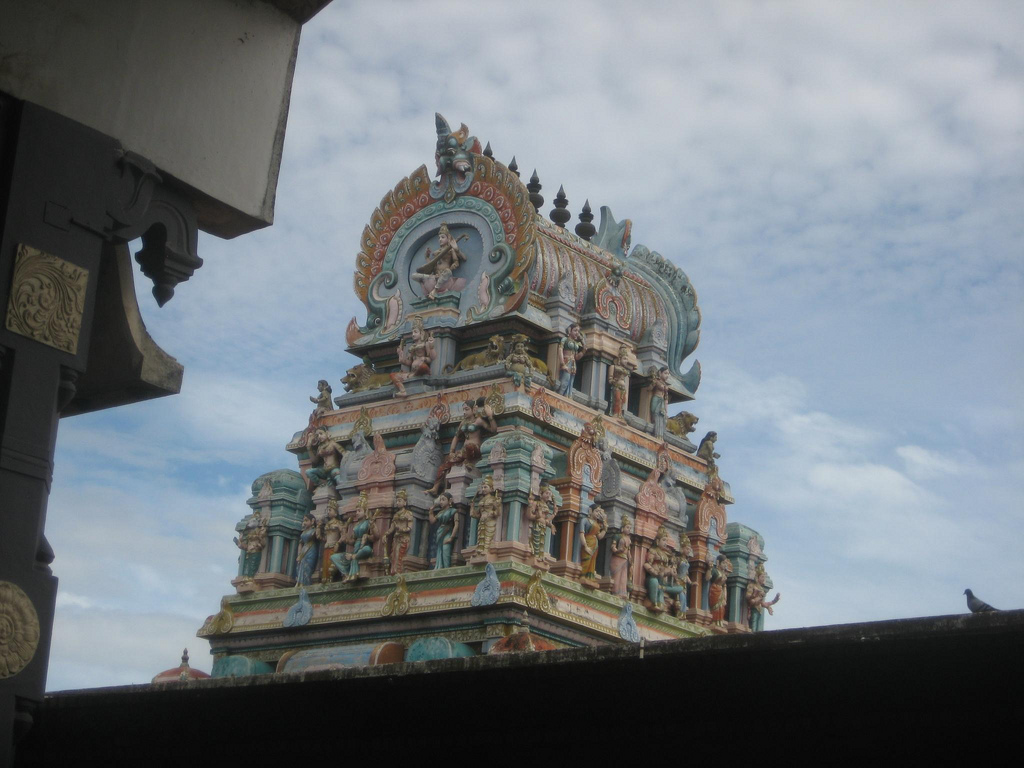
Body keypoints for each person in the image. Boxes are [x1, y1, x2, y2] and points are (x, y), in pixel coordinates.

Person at [428, 398, 497, 495]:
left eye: (467, 409)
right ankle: (436, 487)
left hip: (474, 449)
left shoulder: (478, 421)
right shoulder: (463, 422)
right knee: (445, 465)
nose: (464, 412)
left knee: (469, 447)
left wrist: (490, 417)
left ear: (474, 409)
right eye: (463, 409)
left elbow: (493, 430)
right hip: (464, 451)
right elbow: (456, 437)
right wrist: (451, 451)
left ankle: (467, 462)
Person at [411, 223, 468, 299]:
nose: (440, 239)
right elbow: (431, 267)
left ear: (448, 238)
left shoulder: (451, 250)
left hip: (445, 277)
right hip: (435, 277)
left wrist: (457, 250)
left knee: (448, 271)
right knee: (414, 276)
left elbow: (461, 260)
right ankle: (429, 291)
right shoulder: (436, 253)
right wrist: (427, 257)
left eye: (443, 237)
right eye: (439, 237)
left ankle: (435, 290)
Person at [384, 490, 414, 575]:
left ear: (405, 502)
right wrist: (386, 534)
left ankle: (399, 571)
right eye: (397, 501)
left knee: (399, 554)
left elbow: (409, 527)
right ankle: (393, 571)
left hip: (404, 538)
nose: (397, 503)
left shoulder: (408, 513)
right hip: (396, 538)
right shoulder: (396, 515)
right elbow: (392, 528)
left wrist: (401, 530)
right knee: (393, 555)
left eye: (399, 501)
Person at [470, 475, 501, 555]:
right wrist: (472, 507)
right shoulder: (481, 500)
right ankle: (479, 550)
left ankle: (486, 549)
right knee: (481, 536)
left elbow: (498, 513)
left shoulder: (493, 499)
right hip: (482, 521)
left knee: (487, 536)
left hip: (490, 521)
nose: (483, 489)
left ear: (491, 489)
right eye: (482, 487)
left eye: (485, 487)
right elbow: (476, 515)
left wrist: (494, 510)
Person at [428, 491, 458, 569]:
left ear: (450, 501)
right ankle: (440, 566)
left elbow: (456, 525)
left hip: (448, 532)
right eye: (440, 500)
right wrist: (431, 511)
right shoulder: (440, 513)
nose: (441, 502)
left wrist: (451, 537)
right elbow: (432, 521)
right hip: (440, 533)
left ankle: (446, 568)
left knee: (446, 549)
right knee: (440, 550)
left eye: (443, 499)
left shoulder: (453, 511)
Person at [318, 499, 345, 583]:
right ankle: (326, 580)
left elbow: (343, 535)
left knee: (331, 566)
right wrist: (318, 527)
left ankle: (331, 579)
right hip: (326, 547)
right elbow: (323, 538)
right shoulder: (327, 524)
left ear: (336, 512)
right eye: (328, 510)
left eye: (330, 510)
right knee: (325, 566)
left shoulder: (338, 523)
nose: (328, 512)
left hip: (334, 546)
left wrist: (338, 543)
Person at [578, 506, 608, 581]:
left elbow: (600, 536)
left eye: (599, 512)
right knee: (586, 559)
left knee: (592, 561)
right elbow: (581, 534)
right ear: (591, 511)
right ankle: (582, 575)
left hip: (595, 546)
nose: (598, 514)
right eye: (596, 511)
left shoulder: (597, 524)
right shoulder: (585, 520)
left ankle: (589, 577)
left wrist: (605, 529)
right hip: (588, 543)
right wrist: (585, 547)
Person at [556, 323, 585, 397]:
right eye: (575, 330)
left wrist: (583, 351)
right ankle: (559, 397)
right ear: (570, 330)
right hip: (566, 362)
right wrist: (562, 364)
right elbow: (560, 350)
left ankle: (566, 397)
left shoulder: (576, 343)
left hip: (573, 364)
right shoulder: (565, 339)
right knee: (565, 382)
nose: (577, 333)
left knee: (570, 384)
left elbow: (577, 357)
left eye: (578, 331)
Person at [609, 515, 633, 597]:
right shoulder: (618, 536)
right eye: (627, 527)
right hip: (617, 558)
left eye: (630, 528)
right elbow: (613, 547)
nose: (629, 529)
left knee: (624, 577)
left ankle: (622, 593)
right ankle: (615, 591)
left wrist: (630, 558)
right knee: (617, 575)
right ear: (622, 528)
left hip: (625, 559)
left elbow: (628, 550)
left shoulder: (629, 539)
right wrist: (618, 551)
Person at [294, 514, 318, 587]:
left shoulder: (314, 531)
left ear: (312, 521)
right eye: (304, 520)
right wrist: (299, 554)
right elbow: (300, 543)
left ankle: (305, 583)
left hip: (311, 549)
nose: (304, 522)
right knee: (300, 563)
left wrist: (319, 527)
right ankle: (300, 582)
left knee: (306, 565)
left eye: (306, 520)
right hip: (304, 550)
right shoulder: (303, 532)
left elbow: (318, 536)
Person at [649, 366, 670, 439]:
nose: (667, 375)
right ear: (660, 373)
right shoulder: (657, 381)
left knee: (661, 416)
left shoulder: (666, 385)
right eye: (665, 373)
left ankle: (659, 432)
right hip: (656, 398)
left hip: (662, 401)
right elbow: (649, 389)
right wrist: (652, 383)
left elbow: (666, 398)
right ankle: (654, 428)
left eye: (668, 374)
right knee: (654, 413)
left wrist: (666, 410)